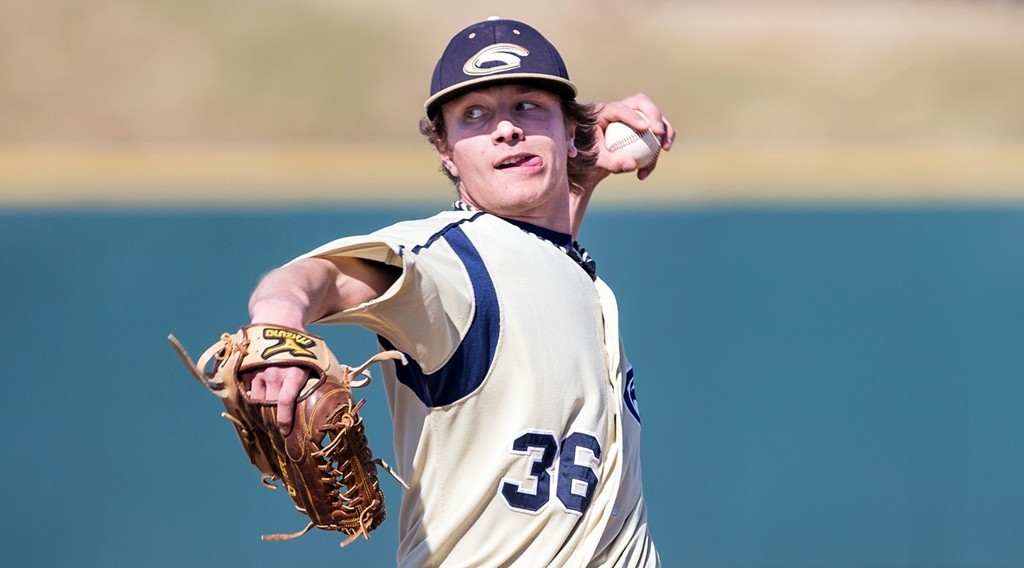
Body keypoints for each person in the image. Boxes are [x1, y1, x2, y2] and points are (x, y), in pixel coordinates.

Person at [244, 16, 675, 567]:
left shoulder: (560, 263)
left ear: (571, 131)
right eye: (474, 114)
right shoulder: (451, 263)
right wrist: (277, 325)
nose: (506, 128)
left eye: (528, 106)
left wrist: (582, 171)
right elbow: (317, 276)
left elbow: (542, 262)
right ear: (445, 150)